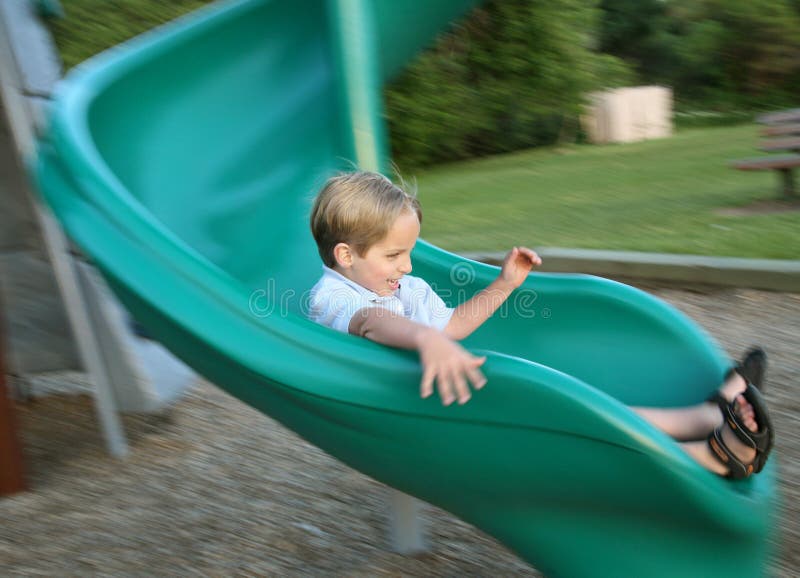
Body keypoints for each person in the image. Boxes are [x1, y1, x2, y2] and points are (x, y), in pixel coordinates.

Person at [307, 170, 773, 479]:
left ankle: (705, 417)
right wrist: (425, 339)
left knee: (570, 404)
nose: (408, 266)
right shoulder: (333, 297)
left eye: (409, 252)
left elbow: (451, 327)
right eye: (394, 255)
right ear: (346, 255)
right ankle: (707, 454)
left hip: (444, 401)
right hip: (416, 421)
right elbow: (371, 323)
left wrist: (504, 284)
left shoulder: (402, 288)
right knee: (564, 419)